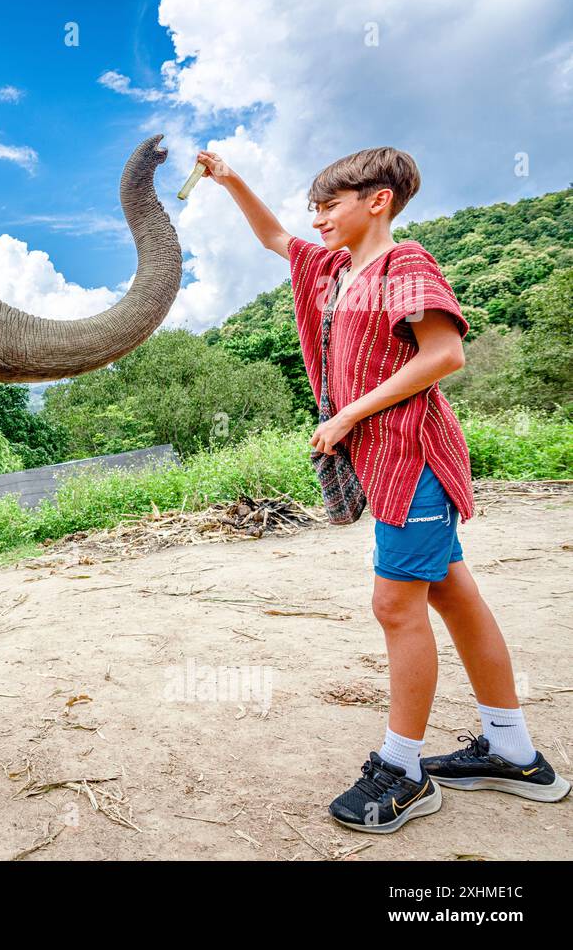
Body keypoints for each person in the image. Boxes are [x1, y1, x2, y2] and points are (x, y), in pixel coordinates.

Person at [195, 145, 570, 833]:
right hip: (385, 459)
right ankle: (513, 751)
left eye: (329, 205)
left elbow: (444, 353)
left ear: (378, 200)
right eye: (314, 207)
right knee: (453, 594)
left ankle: (403, 770)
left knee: (395, 606)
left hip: (413, 458)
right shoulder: (335, 271)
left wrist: (347, 412)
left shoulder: (406, 264)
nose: (317, 219)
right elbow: (276, 239)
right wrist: (232, 182)